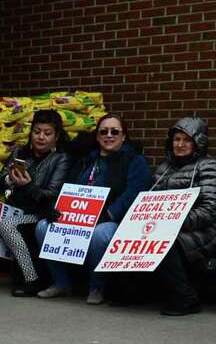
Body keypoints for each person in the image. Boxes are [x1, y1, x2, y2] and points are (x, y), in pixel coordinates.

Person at [36, 113, 151, 304]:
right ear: (97, 137)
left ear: (124, 136)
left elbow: (135, 193)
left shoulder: (134, 160)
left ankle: (96, 287)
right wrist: (56, 208)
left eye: (115, 131)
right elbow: (67, 187)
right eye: (103, 131)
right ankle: (61, 283)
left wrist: (108, 213)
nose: (109, 135)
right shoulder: (86, 160)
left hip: (112, 220)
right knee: (42, 226)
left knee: (100, 233)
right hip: (78, 218)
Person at [0, 109, 71, 296]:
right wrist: (9, 179)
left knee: (7, 224)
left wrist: (28, 185)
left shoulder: (60, 159)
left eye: (47, 133)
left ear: (56, 137)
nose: (41, 137)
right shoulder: (19, 152)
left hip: (40, 212)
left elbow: (51, 195)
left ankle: (32, 280)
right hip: (15, 206)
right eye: (37, 131)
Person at [147, 117, 216, 316]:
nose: (180, 144)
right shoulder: (165, 169)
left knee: (163, 243)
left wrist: (175, 222)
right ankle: (134, 292)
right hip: (168, 225)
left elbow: (211, 209)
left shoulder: (209, 166)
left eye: (186, 140)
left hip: (207, 230)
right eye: (176, 139)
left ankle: (187, 298)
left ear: (198, 142)